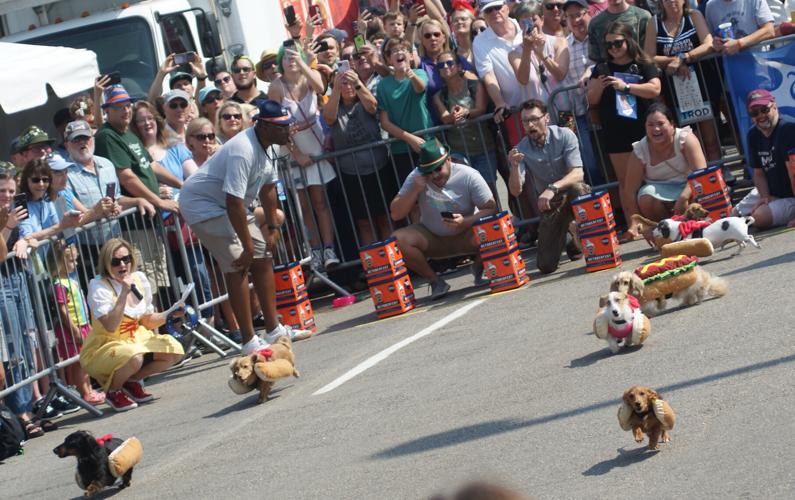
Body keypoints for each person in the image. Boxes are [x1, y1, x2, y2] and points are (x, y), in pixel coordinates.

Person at [179, 100, 314, 355]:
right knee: (238, 263)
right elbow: (234, 203)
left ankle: (274, 330)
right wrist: (247, 244)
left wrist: (272, 226)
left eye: (288, 125)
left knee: (263, 257)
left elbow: (268, 187)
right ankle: (249, 341)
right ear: (263, 126)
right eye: (282, 126)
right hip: (202, 205)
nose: (288, 131)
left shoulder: (269, 146)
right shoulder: (244, 148)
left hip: (225, 204)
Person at [79, 238, 184, 411]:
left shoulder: (139, 279)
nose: (123, 265)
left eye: (126, 259)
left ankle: (130, 381)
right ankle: (113, 391)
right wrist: (123, 294)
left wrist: (170, 314)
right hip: (106, 345)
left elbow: (147, 320)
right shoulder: (98, 286)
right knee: (134, 356)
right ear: (106, 263)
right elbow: (111, 326)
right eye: (116, 261)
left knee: (173, 349)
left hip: (136, 339)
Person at [390, 139, 497, 300]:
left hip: (466, 234)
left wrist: (466, 221)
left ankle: (478, 267)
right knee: (397, 240)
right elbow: (396, 213)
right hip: (432, 237)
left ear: (449, 160)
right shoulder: (416, 177)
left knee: (496, 227)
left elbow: (491, 208)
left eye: (437, 169)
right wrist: (415, 189)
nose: (434, 175)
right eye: (428, 172)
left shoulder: (468, 174)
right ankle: (435, 282)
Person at [269, 45, 340, 272]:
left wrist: (303, 64)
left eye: (294, 56)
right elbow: (275, 125)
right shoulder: (276, 86)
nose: (290, 60)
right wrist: (296, 154)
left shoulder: (310, 76)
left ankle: (329, 249)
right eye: (286, 58)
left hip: (315, 144)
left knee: (320, 202)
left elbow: (320, 87)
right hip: (293, 150)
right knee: (304, 207)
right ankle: (315, 251)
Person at [588, 22, 661, 235]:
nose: (613, 48)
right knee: (625, 180)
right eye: (609, 44)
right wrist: (599, 88)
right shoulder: (601, 68)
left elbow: (655, 89)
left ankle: (656, 217)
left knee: (652, 174)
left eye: (617, 43)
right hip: (616, 130)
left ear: (628, 40)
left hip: (644, 127)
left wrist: (627, 87)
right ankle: (633, 222)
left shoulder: (643, 63)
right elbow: (591, 99)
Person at [508, 100, 591, 274]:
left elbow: (578, 173)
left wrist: (552, 188)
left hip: (569, 193)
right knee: (545, 265)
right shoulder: (520, 149)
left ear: (546, 118)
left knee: (578, 189)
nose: (530, 125)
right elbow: (516, 190)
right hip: (550, 204)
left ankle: (592, 240)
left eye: (534, 119)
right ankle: (570, 233)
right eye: (525, 121)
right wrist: (514, 167)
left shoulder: (565, 135)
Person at [323, 68, 396, 246]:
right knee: (364, 222)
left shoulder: (363, 99)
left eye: (349, 81)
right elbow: (329, 118)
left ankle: (395, 260)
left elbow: (372, 106)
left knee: (385, 218)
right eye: (341, 83)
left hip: (379, 168)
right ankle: (375, 265)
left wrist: (357, 83)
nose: (346, 86)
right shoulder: (334, 106)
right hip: (351, 174)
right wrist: (337, 90)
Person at [644, 0, 720, 162]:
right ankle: (700, 174)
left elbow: (708, 44)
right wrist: (674, 62)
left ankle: (719, 170)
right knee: (689, 140)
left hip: (701, 84)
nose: (672, 1)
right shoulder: (654, 23)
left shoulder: (694, 16)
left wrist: (684, 57)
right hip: (674, 91)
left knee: (710, 137)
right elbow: (648, 56)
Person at [623, 103, 706, 233]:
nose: (656, 129)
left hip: (690, 188)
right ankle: (664, 232)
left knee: (700, 190)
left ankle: (696, 226)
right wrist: (638, 225)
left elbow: (701, 174)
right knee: (645, 197)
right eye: (650, 125)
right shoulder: (640, 150)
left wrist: (684, 197)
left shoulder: (685, 139)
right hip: (660, 195)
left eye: (661, 124)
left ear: (672, 124)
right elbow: (629, 192)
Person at [432, 51, 499, 193]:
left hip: (483, 148)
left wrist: (465, 112)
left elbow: (480, 109)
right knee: (468, 193)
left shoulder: (475, 85)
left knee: (489, 192)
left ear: (458, 66)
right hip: (458, 152)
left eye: (449, 63)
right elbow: (445, 117)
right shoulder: (439, 96)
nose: (445, 67)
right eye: (441, 65)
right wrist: (454, 115)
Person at [50, 242, 105, 405]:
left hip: (83, 324)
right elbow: (63, 309)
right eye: (72, 261)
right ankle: (85, 392)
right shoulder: (60, 283)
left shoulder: (70, 280)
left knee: (85, 360)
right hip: (71, 328)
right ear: (60, 262)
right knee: (78, 362)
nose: (76, 264)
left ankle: (89, 389)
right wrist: (74, 330)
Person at [732, 89, 795, 228]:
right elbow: (758, 173)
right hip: (774, 192)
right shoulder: (753, 134)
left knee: (760, 217)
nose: (760, 116)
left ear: (774, 106)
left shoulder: (788, 129)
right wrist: (765, 197)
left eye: (764, 109)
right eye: (754, 113)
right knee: (734, 214)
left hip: (792, 194)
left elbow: (794, 175)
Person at [378, 38, 434, 183]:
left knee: (437, 189)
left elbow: (420, 88)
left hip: (426, 142)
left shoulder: (419, 73)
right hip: (400, 150)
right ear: (389, 59)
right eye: (395, 51)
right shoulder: (383, 85)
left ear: (410, 56)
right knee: (412, 196)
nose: (399, 53)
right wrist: (410, 139)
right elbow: (385, 122)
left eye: (403, 50)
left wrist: (411, 75)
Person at [561, 0, 603, 186]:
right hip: (579, 113)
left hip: (603, 106)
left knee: (610, 157)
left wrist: (590, 72)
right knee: (590, 162)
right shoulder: (565, 46)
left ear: (588, 13)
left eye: (579, 14)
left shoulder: (599, 36)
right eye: (571, 16)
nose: (576, 20)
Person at [472, 0, 525, 146]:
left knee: (568, 143)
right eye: (489, 10)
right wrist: (499, 102)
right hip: (516, 112)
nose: (495, 12)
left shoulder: (524, 22)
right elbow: (488, 75)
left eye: (498, 7)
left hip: (552, 102)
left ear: (507, 8)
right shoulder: (479, 42)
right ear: (484, 15)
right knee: (525, 156)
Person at [588, 0, 652, 62]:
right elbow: (596, 59)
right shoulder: (595, 24)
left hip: (639, 69)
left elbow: (649, 55)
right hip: (607, 71)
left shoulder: (643, 17)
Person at [705, 0, 775, 56]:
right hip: (732, 69)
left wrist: (739, 44)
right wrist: (716, 43)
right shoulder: (710, 6)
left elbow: (769, 30)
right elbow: (712, 40)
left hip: (760, 65)